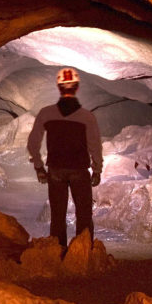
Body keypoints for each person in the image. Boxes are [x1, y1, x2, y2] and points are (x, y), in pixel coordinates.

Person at [27, 66, 103, 250]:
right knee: (84, 215)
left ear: (59, 88)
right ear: (76, 87)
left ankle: (59, 254)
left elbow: (32, 143)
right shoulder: (87, 117)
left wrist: (39, 167)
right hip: (79, 171)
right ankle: (83, 254)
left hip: (56, 171)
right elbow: (94, 145)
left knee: (58, 216)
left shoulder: (46, 113)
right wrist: (97, 169)